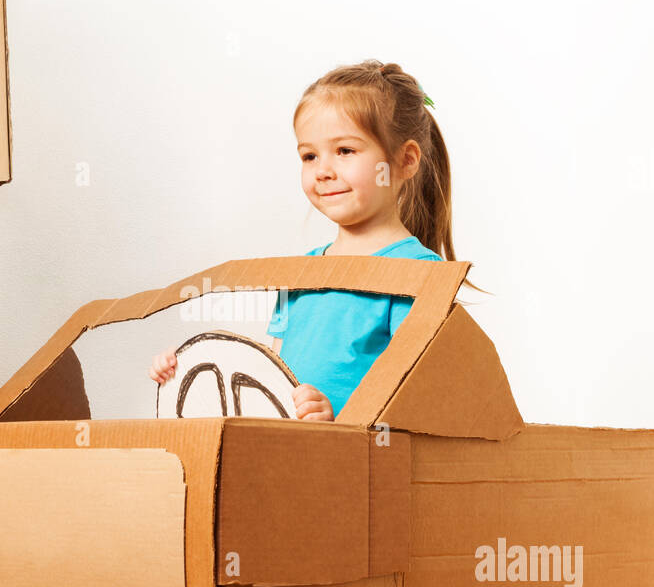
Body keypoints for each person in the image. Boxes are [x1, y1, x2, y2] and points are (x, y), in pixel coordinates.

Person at [150, 59, 467, 420]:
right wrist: (186, 365)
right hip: (292, 456)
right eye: (309, 155)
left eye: (345, 151)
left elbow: (421, 398)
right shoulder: (303, 274)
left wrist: (340, 416)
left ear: (406, 160)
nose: (323, 171)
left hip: (358, 463)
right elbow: (269, 370)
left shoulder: (416, 275)